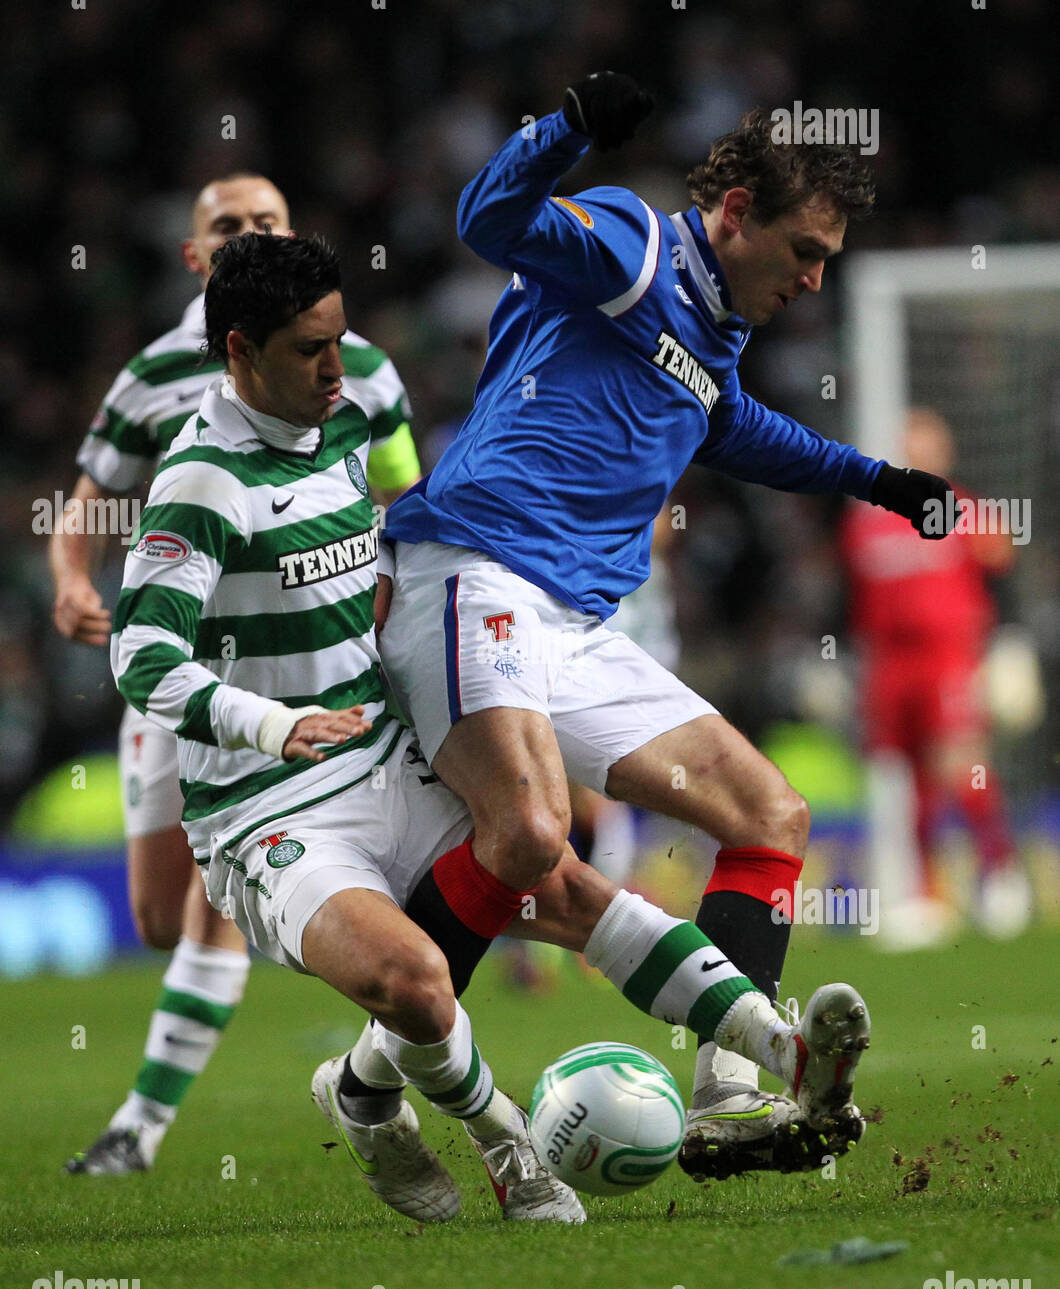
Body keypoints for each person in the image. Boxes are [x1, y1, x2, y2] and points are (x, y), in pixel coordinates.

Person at [113, 231, 872, 1222]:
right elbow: (141, 657)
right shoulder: (201, 482)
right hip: (266, 811)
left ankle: (783, 1054)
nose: (337, 369)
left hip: (382, 763)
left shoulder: (341, 434)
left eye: (341, 338)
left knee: (557, 871)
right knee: (420, 980)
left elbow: (370, 584)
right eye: (308, 350)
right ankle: (510, 1149)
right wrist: (268, 724)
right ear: (238, 353)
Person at [379, 74, 950, 1180]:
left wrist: (876, 480)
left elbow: (736, 429)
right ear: (734, 211)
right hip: (478, 572)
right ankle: (368, 1077)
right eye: (802, 249)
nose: (814, 278)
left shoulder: (716, 331)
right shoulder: (630, 246)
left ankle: (729, 1097)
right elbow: (486, 219)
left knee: (768, 813)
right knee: (533, 835)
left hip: (580, 625)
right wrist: (569, 131)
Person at [52, 173, 421, 1176]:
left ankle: (140, 1125)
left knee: (224, 880)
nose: (249, 232)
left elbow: (405, 504)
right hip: (179, 660)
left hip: (292, 681)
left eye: (266, 221)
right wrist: (68, 573)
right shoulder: (155, 374)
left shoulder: (360, 373)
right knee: (157, 915)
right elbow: (94, 491)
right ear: (194, 255)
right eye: (228, 224)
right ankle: (297, 907)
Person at [840, 407, 1033, 944]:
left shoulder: (969, 512)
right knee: (910, 782)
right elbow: (847, 600)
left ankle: (1000, 872)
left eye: (927, 443)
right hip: (888, 666)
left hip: (949, 656)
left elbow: (1002, 580)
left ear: (944, 452)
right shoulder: (866, 522)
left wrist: (1010, 643)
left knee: (962, 765)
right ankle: (927, 896)